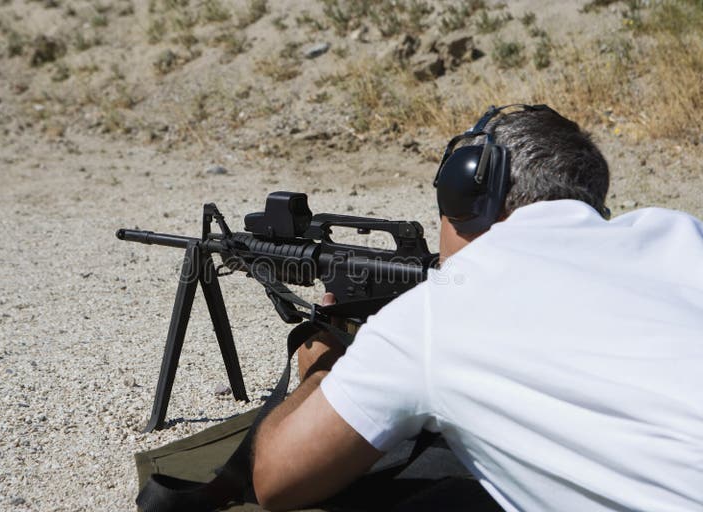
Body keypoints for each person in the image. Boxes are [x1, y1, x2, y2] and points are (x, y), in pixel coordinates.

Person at [251, 105, 703, 511]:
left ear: (462, 194)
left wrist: (323, 370)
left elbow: (275, 480)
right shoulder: (679, 234)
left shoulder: (434, 313)